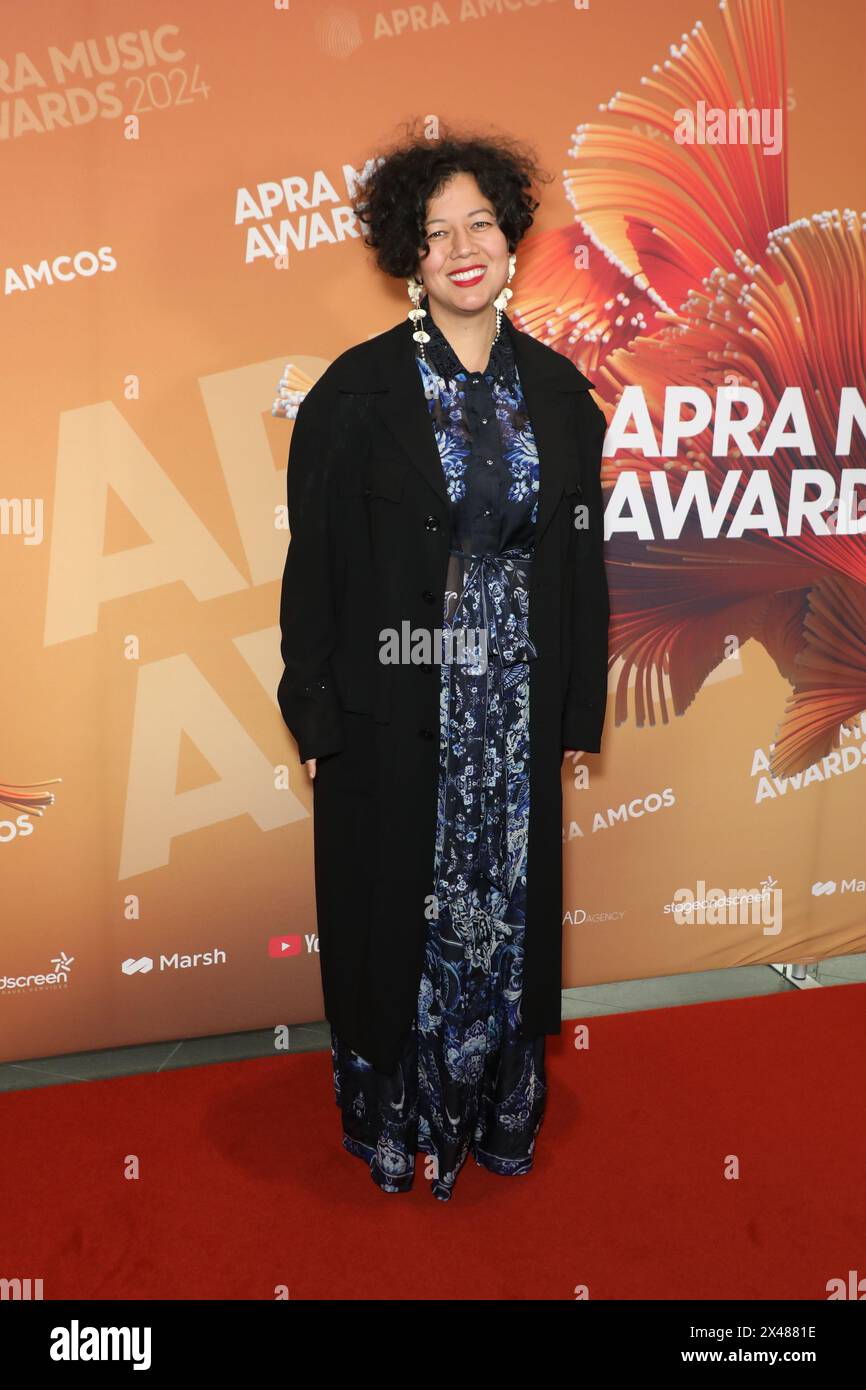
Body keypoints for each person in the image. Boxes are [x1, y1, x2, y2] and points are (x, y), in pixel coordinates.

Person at [277, 126, 610, 1201]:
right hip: (393, 702)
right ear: (408, 261)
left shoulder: (562, 396)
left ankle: (488, 1112)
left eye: (479, 224)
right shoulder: (354, 394)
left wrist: (571, 710)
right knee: (398, 911)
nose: (461, 248)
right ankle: (402, 1120)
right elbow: (313, 569)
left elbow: (579, 563)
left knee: (503, 912)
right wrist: (317, 713)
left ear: (509, 241)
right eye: (435, 234)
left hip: (511, 715)